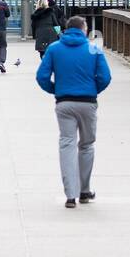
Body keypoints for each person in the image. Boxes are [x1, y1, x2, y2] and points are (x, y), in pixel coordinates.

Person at [36, 16, 112, 209]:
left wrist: (56, 90)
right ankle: (84, 190)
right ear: (83, 29)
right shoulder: (93, 48)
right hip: (87, 103)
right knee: (86, 145)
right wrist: (93, 90)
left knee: (67, 144)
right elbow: (105, 77)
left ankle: (70, 195)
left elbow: (42, 76)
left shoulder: (54, 48)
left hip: (64, 103)